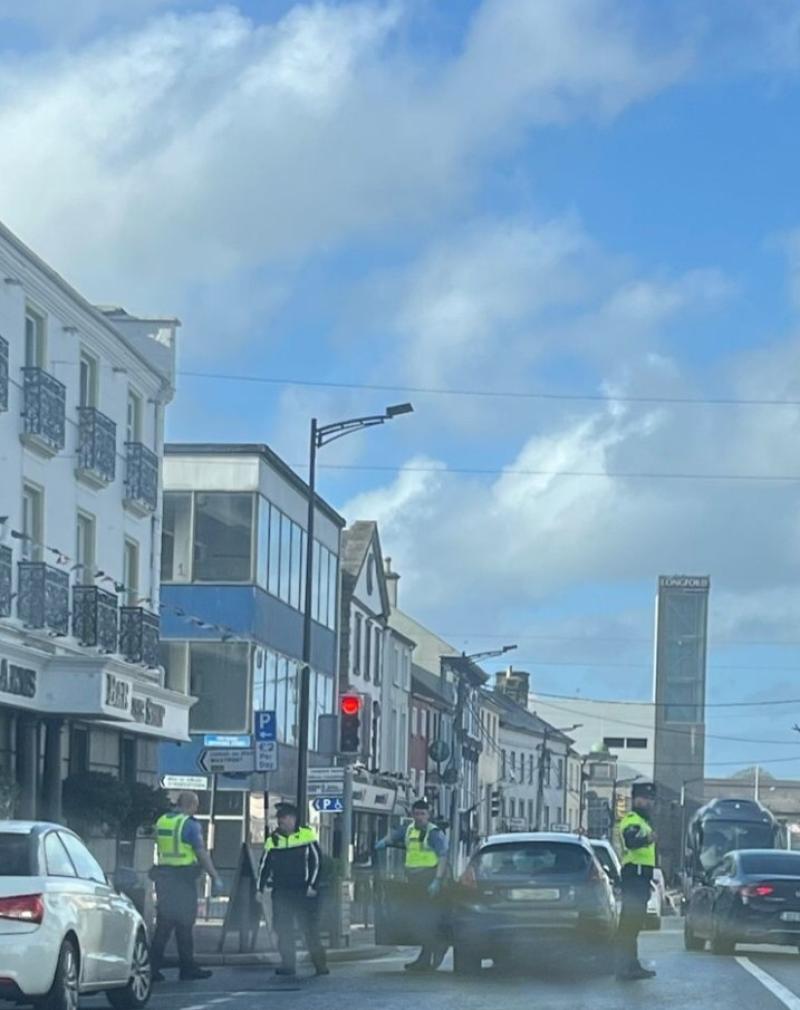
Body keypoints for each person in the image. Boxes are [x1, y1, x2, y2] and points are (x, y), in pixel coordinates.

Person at [150, 791, 224, 983]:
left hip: (163, 878)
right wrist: (214, 876)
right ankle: (187, 967)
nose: (196, 810)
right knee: (184, 924)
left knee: (164, 924)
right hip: (183, 879)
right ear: (191, 805)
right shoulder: (189, 825)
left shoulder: (162, 820)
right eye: (196, 806)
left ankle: (152, 967)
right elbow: (201, 853)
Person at [375, 799, 449, 972]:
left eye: (423, 814)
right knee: (419, 921)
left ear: (428, 815)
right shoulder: (409, 830)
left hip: (429, 880)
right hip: (414, 881)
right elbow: (394, 836)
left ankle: (430, 954)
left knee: (427, 921)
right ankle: (425, 957)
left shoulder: (434, 833)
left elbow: (443, 857)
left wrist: (437, 880)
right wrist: (384, 842)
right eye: (416, 814)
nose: (419, 817)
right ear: (412, 814)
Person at [257, 803, 329, 977]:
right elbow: (263, 867)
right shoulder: (273, 840)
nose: (281, 822)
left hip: (303, 891)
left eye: (285, 818)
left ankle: (320, 965)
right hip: (281, 892)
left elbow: (317, 862)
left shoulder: (306, 835)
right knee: (283, 929)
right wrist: (259, 889)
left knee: (309, 928)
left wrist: (312, 885)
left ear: (293, 819)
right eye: (280, 819)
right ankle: (288, 965)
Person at [615, 789, 658, 982]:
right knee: (629, 923)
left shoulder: (643, 822)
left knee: (632, 923)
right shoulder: (632, 820)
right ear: (636, 800)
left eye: (651, 800)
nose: (649, 803)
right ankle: (624, 966)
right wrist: (648, 839)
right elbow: (632, 842)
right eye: (645, 799)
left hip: (640, 876)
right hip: (635, 874)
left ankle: (631, 965)